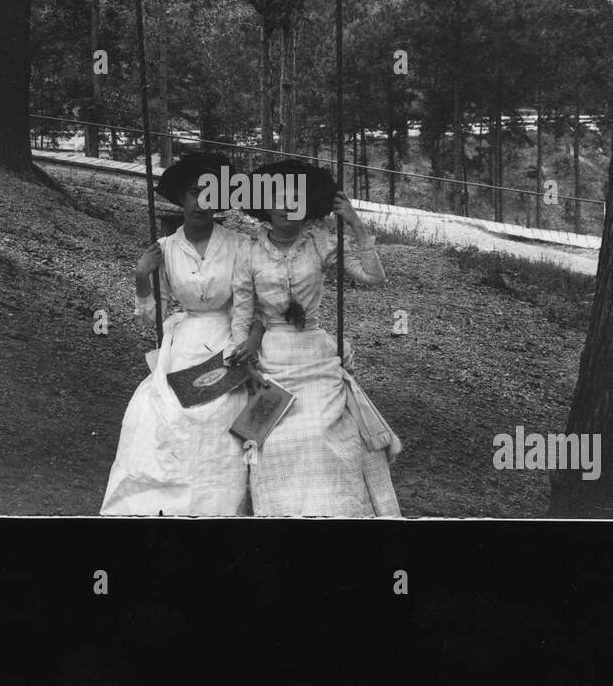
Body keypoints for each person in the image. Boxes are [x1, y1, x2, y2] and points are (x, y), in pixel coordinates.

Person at [226, 160, 402, 517]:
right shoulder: (249, 250)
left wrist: (354, 221)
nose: (288, 207)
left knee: (324, 437)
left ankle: (336, 513)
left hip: (315, 353)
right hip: (272, 355)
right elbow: (242, 316)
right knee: (275, 443)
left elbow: (373, 277)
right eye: (279, 199)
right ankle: (281, 514)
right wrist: (245, 366)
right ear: (266, 205)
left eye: (296, 200)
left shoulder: (320, 243)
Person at [101, 152, 263, 516]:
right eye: (194, 193)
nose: (201, 202)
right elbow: (150, 317)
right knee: (156, 412)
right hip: (184, 339)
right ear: (182, 200)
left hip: (229, 336)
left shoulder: (239, 244)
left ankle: (220, 503)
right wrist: (142, 275)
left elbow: (254, 303)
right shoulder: (166, 248)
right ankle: (164, 501)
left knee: (225, 411)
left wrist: (250, 340)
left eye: (210, 194)